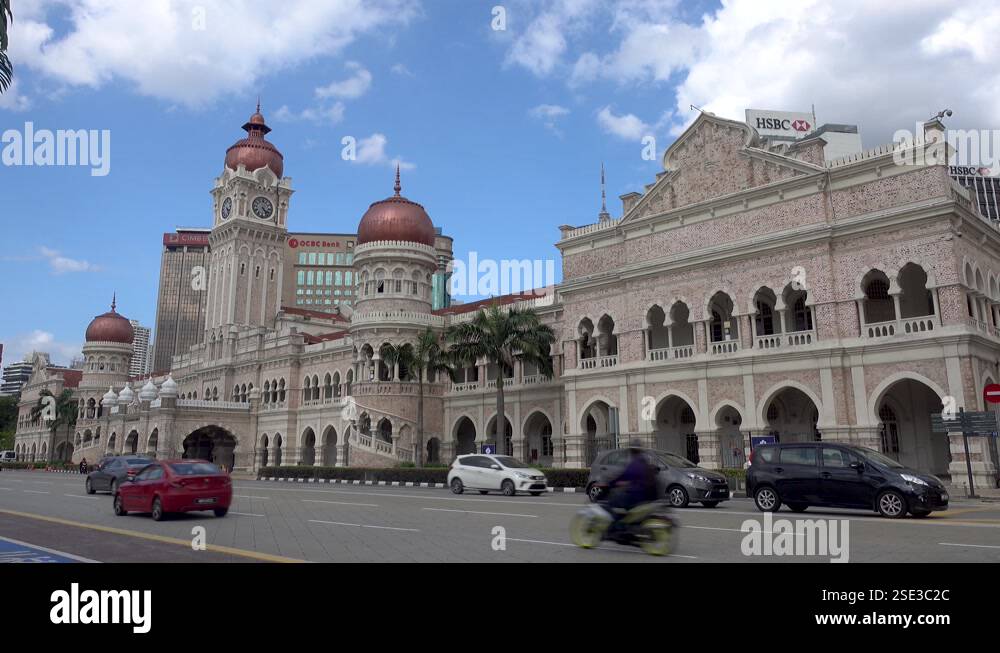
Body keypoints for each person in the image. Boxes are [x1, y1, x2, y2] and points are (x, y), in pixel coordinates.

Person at [607, 440, 659, 534]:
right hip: (648, 496)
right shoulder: (644, 461)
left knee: (613, 501)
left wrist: (612, 483)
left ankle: (618, 526)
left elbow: (624, 475)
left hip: (637, 495)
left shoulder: (635, 463)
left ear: (631, 451)